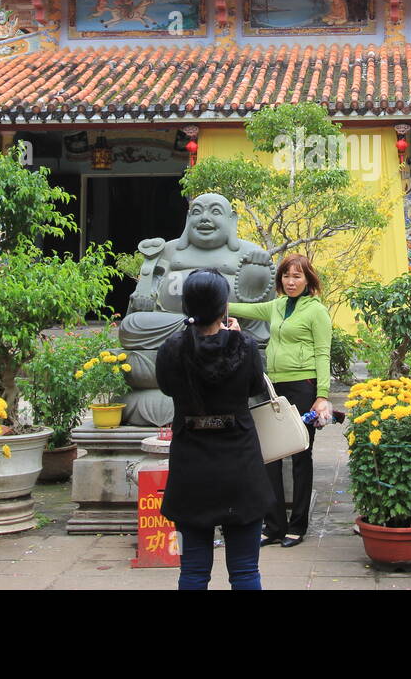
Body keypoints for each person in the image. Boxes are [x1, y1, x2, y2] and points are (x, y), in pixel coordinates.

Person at [157, 269, 274, 590]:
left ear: (186, 306)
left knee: (194, 572)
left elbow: (167, 388)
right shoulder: (245, 346)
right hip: (239, 467)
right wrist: (234, 337)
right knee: (246, 571)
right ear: (224, 307)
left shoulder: (171, 349)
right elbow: (253, 387)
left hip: (192, 468)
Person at [225, 253, 332, 548]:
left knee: (300, 455)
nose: (291, 281)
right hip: (274, 386)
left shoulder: (316, 311)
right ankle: (274, 526)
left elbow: (323, 353)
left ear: (308, 280)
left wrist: (321, 396)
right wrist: (210, 298)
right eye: (286, 276)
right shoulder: (276, 306)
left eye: (297, 276)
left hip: (304, 386)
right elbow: (239, 307)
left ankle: (297, 526)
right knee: (270, 456)